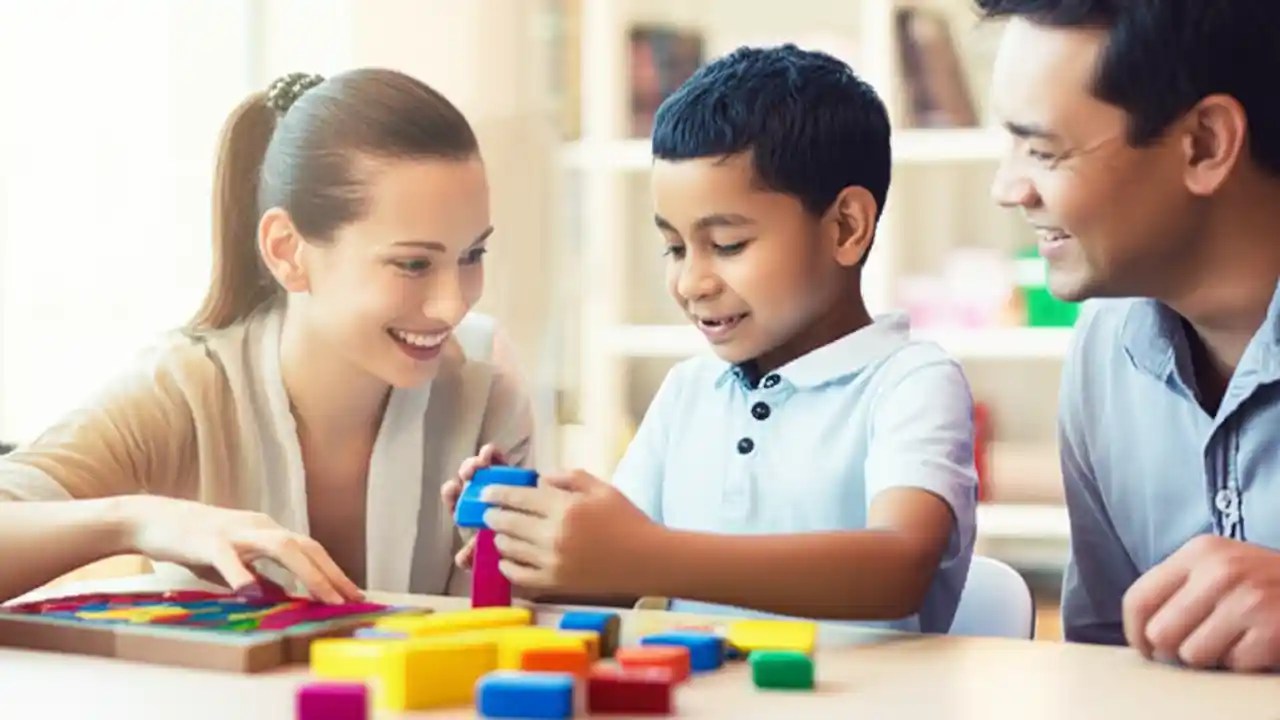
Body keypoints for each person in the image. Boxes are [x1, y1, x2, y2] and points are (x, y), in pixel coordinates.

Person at [446, 45, 978, 633]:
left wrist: (643, 551)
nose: (690, 282)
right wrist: (533, 541)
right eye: (674, 248)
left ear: (846, 227)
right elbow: (622, 578)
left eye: (727, 245)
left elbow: (897, 568)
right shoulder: (689, 390)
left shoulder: (908, 383)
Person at [0, 69, 534, 604]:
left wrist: (546, 556)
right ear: (287, 251)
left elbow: (524, 628)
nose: (454, 304)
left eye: (471, 255)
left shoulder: (486, 394)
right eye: (414, 263)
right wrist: (141, 521)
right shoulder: (184, 390)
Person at [979, 0, 1280, 671]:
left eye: (1043, 149)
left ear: (1204, 144)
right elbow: (1108, 661)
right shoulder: (1105, 346)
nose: (1008, 187)